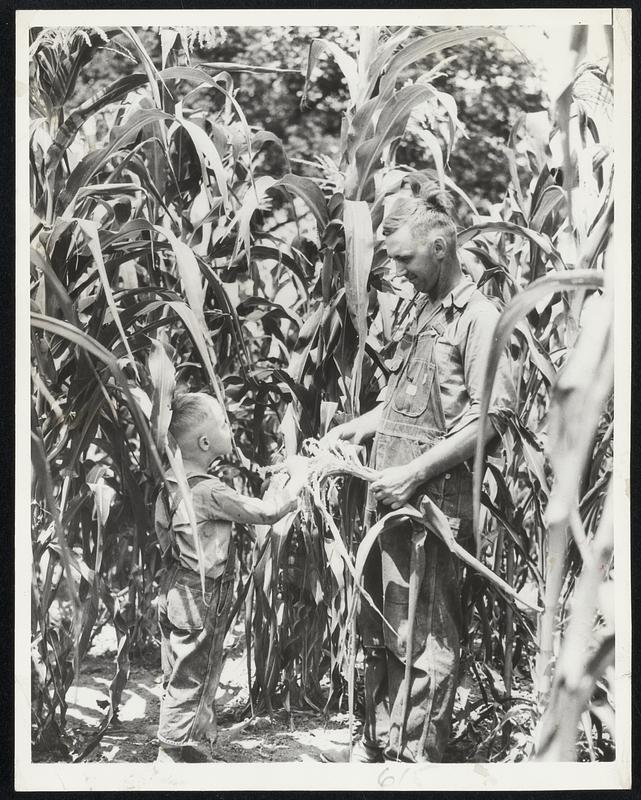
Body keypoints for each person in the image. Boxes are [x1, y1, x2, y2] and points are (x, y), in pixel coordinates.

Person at [321, 183, 516, 763]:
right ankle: (384, 742)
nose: (400, 273)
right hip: (394, 499)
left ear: (440, 245)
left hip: (436, 504)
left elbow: (494, 419)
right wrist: (354, 428)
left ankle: (418, 758)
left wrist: (414, 473)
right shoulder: (424, 310)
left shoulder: (479, 319)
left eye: (406, 260)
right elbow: (402, 402)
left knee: (426, 635)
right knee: (388, 626)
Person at [155, 392, 304, 763]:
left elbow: (161, 531)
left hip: (176, 586)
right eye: (223, 423)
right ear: (206, 443)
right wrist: (295, 486)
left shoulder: (170, 485)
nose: (230, 427)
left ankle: (193, 745)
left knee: (181, 669)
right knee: (196, 674)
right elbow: (266, 512)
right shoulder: (209, 491)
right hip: (203, 594)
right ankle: (170, 753)